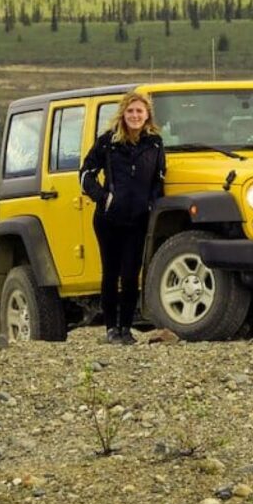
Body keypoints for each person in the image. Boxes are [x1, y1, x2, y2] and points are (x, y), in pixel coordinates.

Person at [79, 90, 167, 345]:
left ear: (147, 114)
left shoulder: (155, 143)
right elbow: (86, 173)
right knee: (111, 272)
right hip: (108, 219)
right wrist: (103, 198)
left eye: (140, 111)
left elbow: (159, 179)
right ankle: (110, 330)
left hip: (138, 219)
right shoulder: (107, 141)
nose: (135, 115)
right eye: (131, 111)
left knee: (131, 275)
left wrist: (152, 204)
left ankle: (126, 328)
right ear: (123, 113)